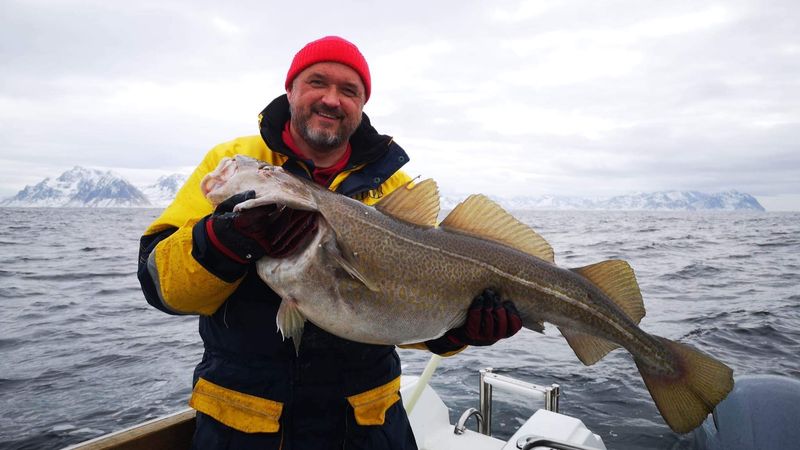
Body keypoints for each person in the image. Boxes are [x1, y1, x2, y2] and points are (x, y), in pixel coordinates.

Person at [137, 36, 522, 450]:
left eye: (349, 90)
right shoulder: (236, 158)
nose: (332, 99)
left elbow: (404, 309)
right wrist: (224, 238)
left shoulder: (391, 188)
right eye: (317, 82)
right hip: (245, 422)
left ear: (362, 104)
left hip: (367, 422)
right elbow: (163, 286)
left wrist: (458, 331)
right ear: (291, 91)